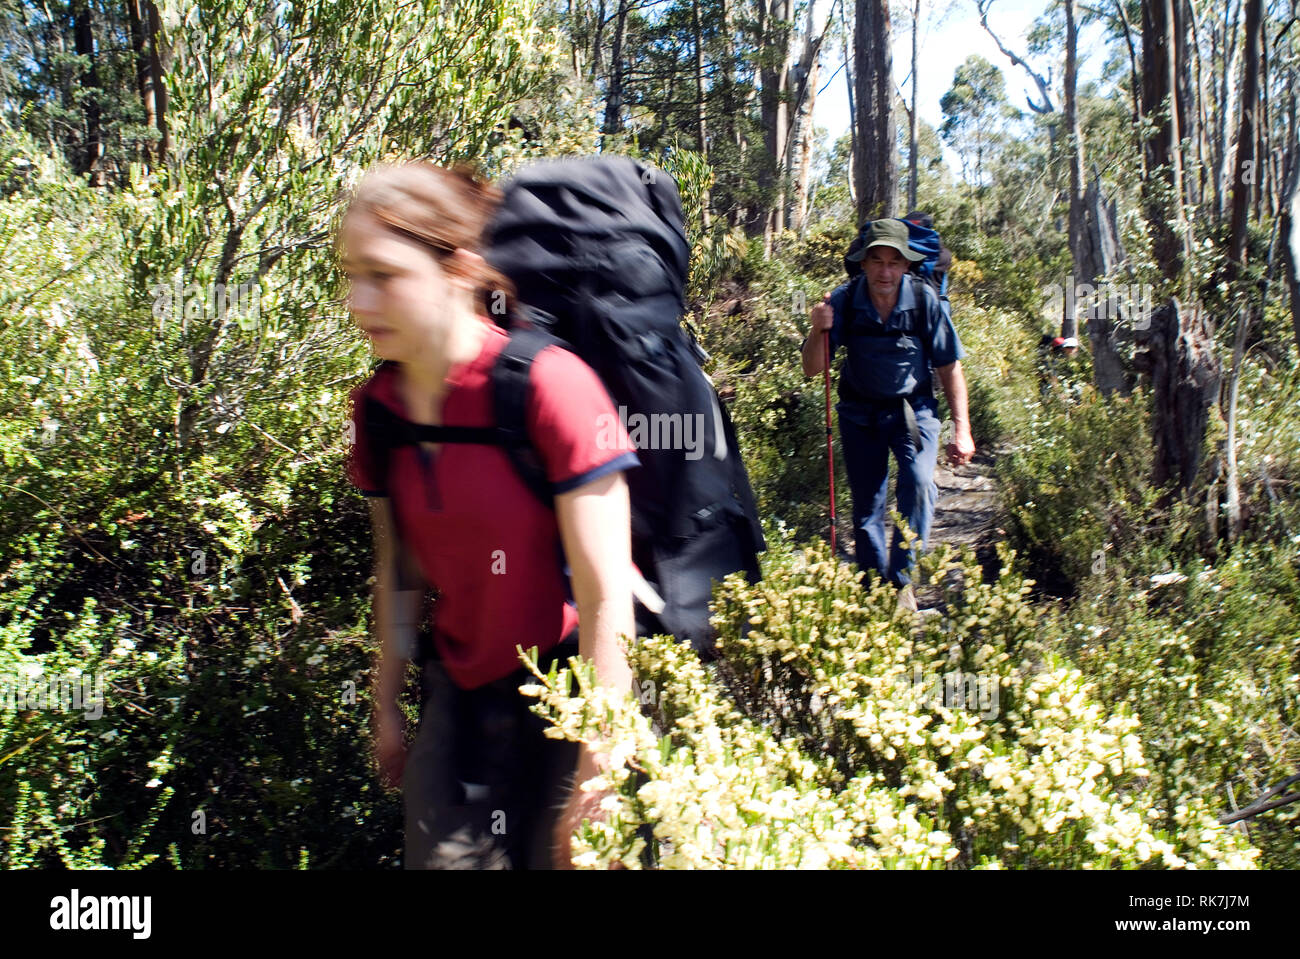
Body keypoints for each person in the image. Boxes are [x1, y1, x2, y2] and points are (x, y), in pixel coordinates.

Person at [338, 162, 639, 869]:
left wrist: (602, 760)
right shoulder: (379, 410)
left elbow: (605, 595)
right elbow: (399, 571)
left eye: (384, 274)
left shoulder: (551, 388)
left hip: (572, 691)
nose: (358, 298)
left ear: (460, 269)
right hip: (462, 695)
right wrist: (386, 701)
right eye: (351, 273)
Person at [802, 218, 975, 599]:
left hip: (913, 411)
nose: (885, 271)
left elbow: (949, 365)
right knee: (867, 508)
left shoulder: (924, 301)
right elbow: (813, 367)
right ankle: (872, 589)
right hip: (859, 414)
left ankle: (900, 584)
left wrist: (961, 429)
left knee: (919, 482)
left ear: (906, 265)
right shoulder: (844, 300)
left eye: (893, 262)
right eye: (876, 261)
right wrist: (818, 329)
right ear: (862, 264)